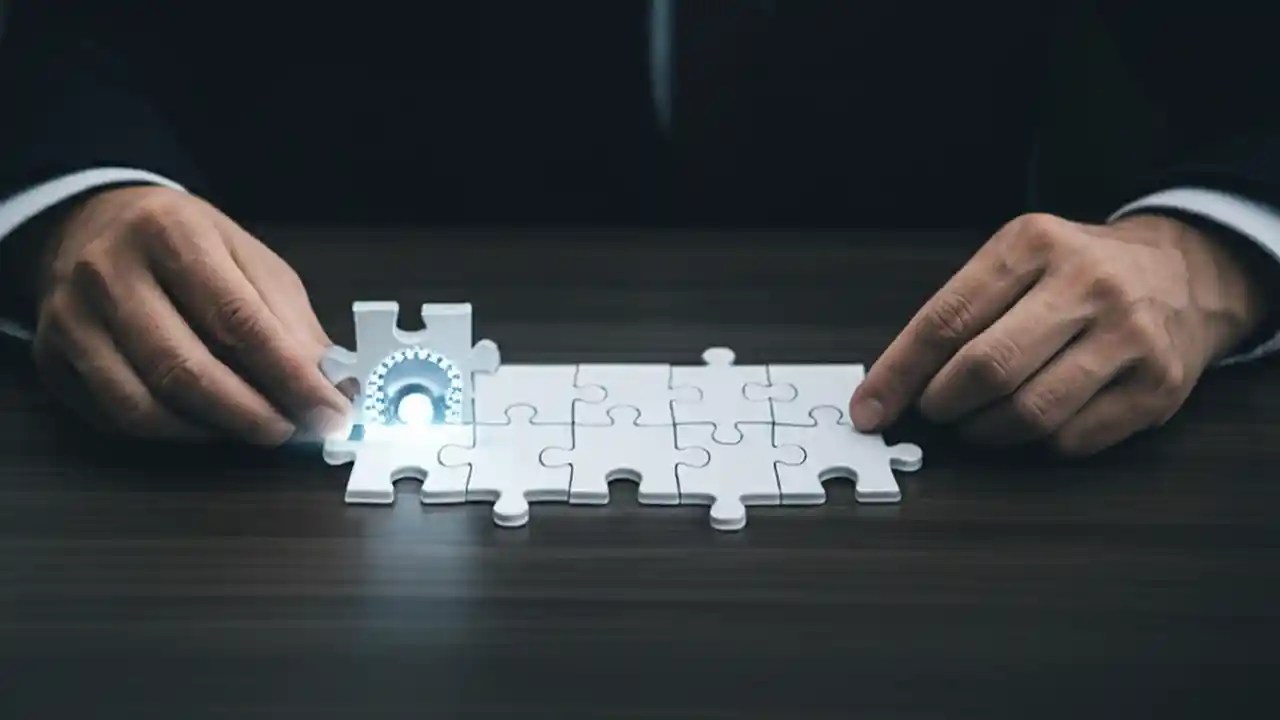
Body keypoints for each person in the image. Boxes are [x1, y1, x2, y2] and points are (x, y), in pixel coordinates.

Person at [1, 1, 1278, 456]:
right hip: (279, 446)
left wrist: (1202, 254)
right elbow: (73, 35)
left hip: (945, 450)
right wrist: (79, 204)